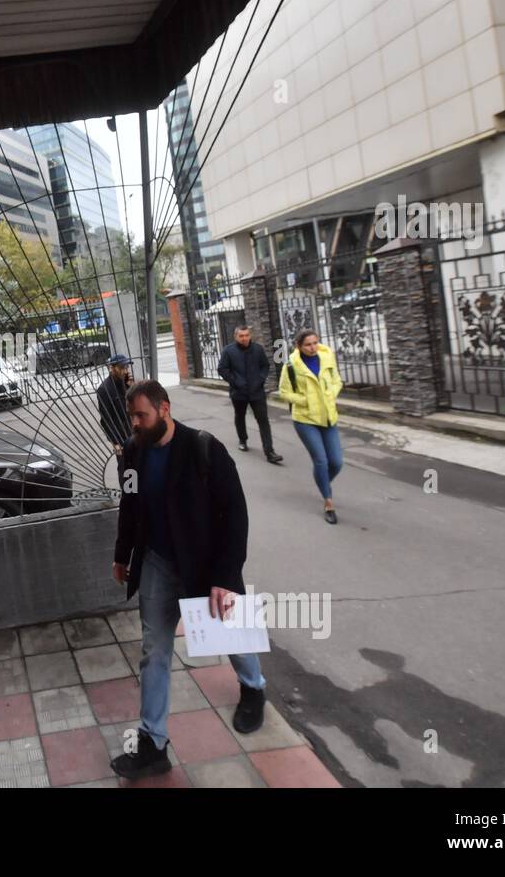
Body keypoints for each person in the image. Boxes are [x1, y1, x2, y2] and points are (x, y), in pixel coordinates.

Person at [109, 380, 266, 780]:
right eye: (132, 417)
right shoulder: (133, 451)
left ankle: (253, 687)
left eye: (141, 415)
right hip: (158, 564)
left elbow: (236, 516)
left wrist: (226, 576)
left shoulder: (204, 449)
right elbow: (130, 507)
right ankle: (153, 743)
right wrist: (121, 555)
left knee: (229, 633)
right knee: (154, 651)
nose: (136, 423)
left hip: (204, 563)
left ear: (165, 409)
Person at [278, 329, 344, 524]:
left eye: (315, 343)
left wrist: (330, 393)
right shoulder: (291, 366)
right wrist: (304, 399)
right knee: (321, 461)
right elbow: (284, 392)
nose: (313, 347)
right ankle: (328, 501)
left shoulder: (327, 357)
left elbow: (336, 381)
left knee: (337, 462)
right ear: (299, 346)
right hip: (305, 419)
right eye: (308, 344)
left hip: (328, 417)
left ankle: (322, 481)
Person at [216, 325, 283, 464]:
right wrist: (235, 381)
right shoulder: (229, 351)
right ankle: (242, 439)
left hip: (256, 392)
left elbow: (265, 366)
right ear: (236, 336)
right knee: (240, 416)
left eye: (247, 335)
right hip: (238, 393)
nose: (244, 338)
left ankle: (269, 451)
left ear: (250, 335)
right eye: (241, 336)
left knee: (263, 420)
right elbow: (222, 369)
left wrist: (260, 379)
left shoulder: (257, 349)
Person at [95, 354, 134, 465]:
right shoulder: (104, 389)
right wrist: (115, 442)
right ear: (111, 368)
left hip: (136, 433)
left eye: (126, 367)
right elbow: (106, 419)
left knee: (142, 468)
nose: (125, 371)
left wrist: (131, 387)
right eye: (122, 368)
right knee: (127, 471)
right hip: (122, 438)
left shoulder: (127, 383)